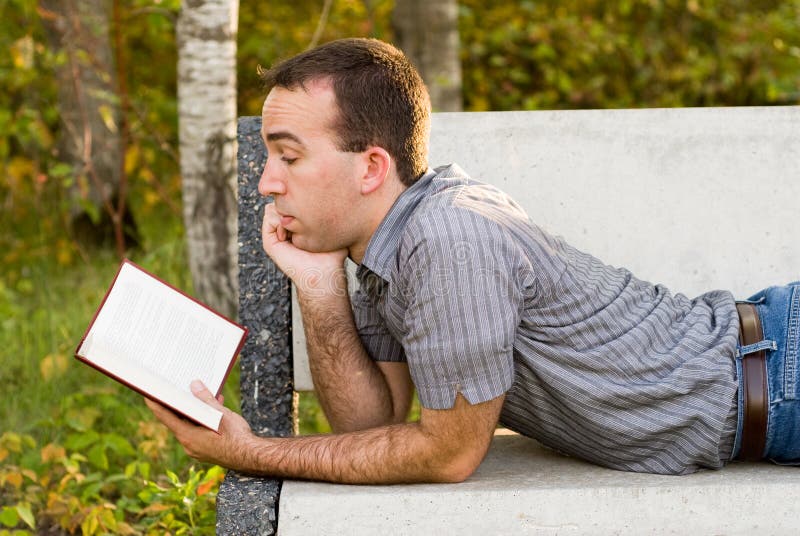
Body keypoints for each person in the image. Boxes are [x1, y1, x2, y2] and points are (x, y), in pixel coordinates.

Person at [147, 38, 800, 482]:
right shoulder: (382, 249)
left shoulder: (448, 241)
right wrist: (321, 289)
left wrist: (256, 453)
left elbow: (449, 453)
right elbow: (371, 423)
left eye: (288, 156)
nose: (267, 182)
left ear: (372, 166)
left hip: (781, 370)